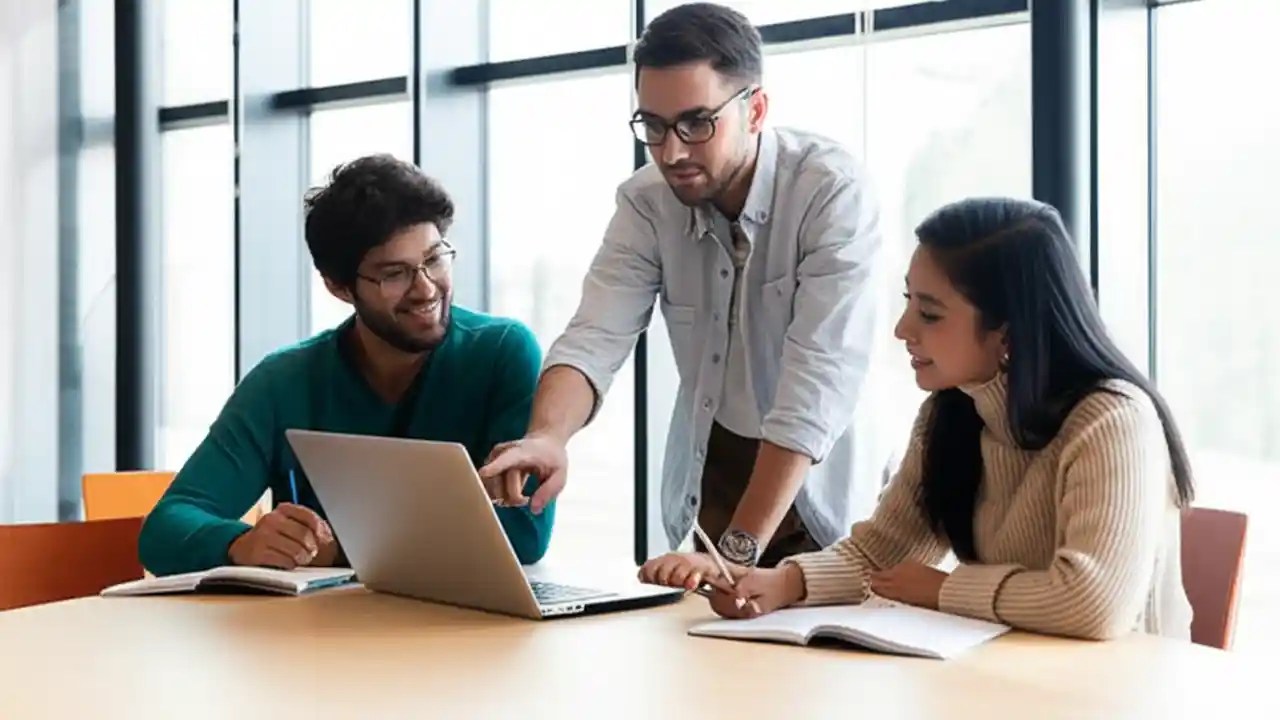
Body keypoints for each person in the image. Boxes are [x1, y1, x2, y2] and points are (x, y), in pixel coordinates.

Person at [644, 196, 1196, 641]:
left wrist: (940, 590)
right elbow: (882, 552)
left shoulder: (1113, 420)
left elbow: (1092, 604)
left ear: (1008, 331)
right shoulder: (952, 412)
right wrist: (780, 583)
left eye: (930, 313)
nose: (903, 329)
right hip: (1002, 684)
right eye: (910, 302)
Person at [478, 2, 891, 570]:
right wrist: (549, 436)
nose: (672, 151)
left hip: (821, 503)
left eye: (697, 123)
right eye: (653, 125)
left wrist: (740, 553)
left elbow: (816, 386)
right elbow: (595, 334)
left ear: (756, 109)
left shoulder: (830, 192)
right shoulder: (646, 202)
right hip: (711, 491)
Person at [138, 154, 554, 575]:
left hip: (469, 631)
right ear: (339, 287)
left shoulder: (502, 352)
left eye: (434, 259)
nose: (425, 288)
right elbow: (166, 527)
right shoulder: (285, 381)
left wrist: (339, 550)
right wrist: (239, 543)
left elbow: (523, 534)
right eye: (394, 274)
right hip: (322, 633)